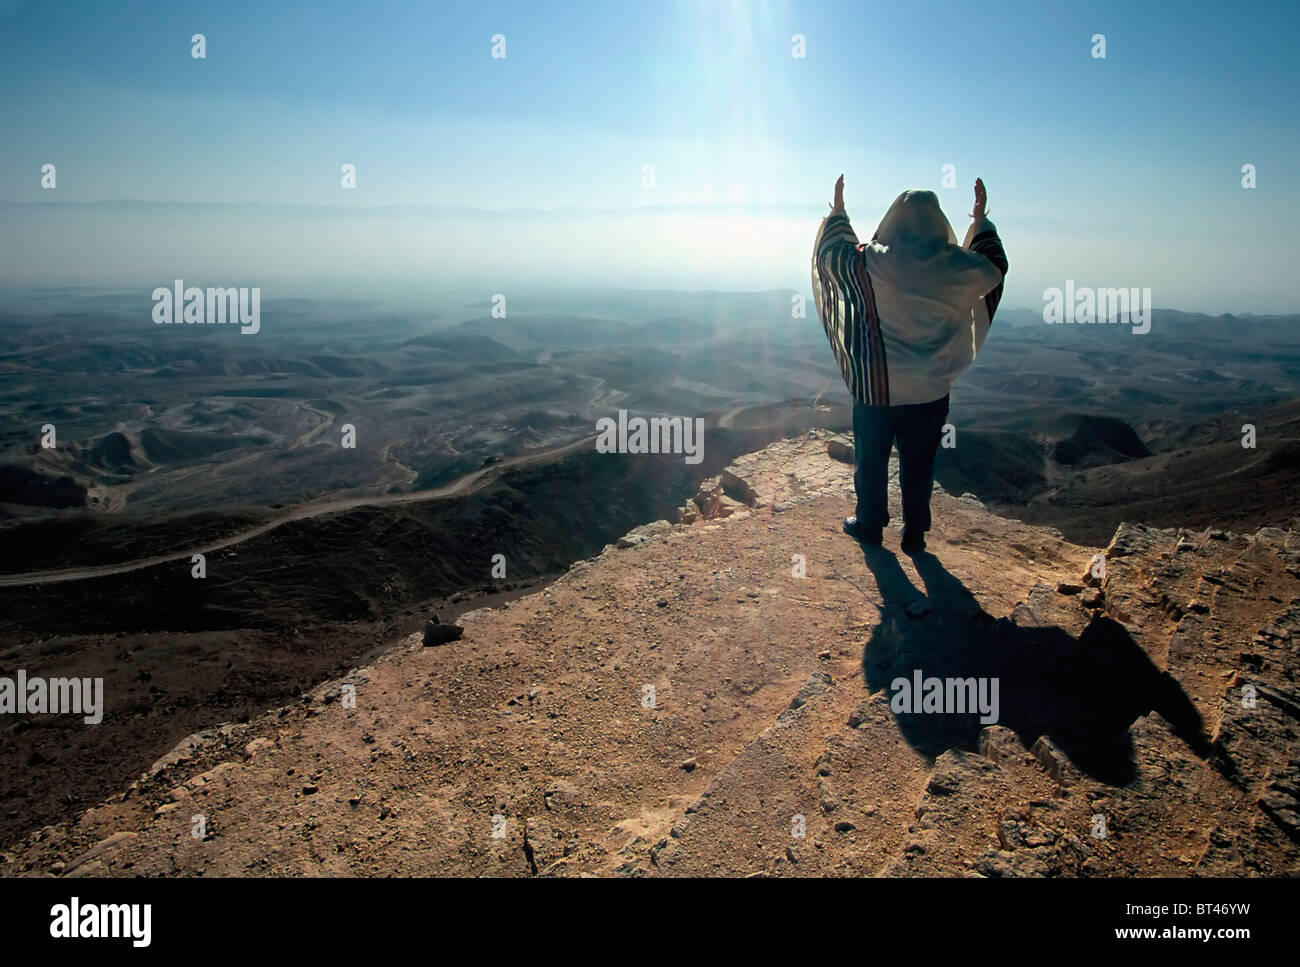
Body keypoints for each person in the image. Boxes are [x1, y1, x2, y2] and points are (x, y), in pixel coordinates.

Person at [812, 176, 1008, 553]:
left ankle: (870, 523)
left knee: (871, 458)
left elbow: (834, 255)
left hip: (876, 388)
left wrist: (838, 213)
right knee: (919, 464)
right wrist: (980, 220)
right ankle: (914, 533)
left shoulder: (873, 259)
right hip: (930, 392)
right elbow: (994, 266)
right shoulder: (956, 264)